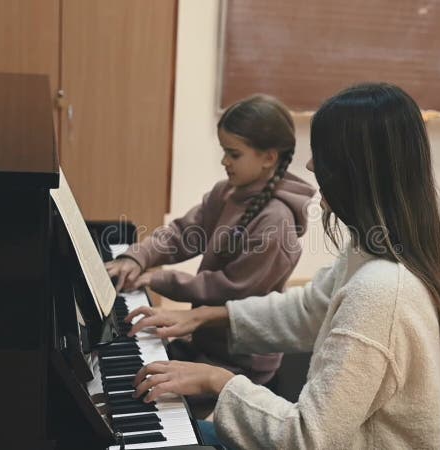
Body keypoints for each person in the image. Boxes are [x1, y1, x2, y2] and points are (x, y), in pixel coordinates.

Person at [123, 83, 440, 449]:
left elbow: (307, 436)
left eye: (323, 155)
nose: (311, 165)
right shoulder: (371, 252)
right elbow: (305, 311)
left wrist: (217, 381)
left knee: (157, 437)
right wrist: (205, 316)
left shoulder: (381, 292)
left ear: (355, 169)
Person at [105, 94, 315, 387]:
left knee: (142, 387)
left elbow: (229, 291)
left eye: (234, 154)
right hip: (207, 341)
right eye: (224, 151)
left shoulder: (275, 223)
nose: (224, 161)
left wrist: (159, 279)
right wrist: (137, 257)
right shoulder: (227, 192)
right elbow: (182, 233)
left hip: (241, 361)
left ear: (269, 158)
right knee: (132, 359)